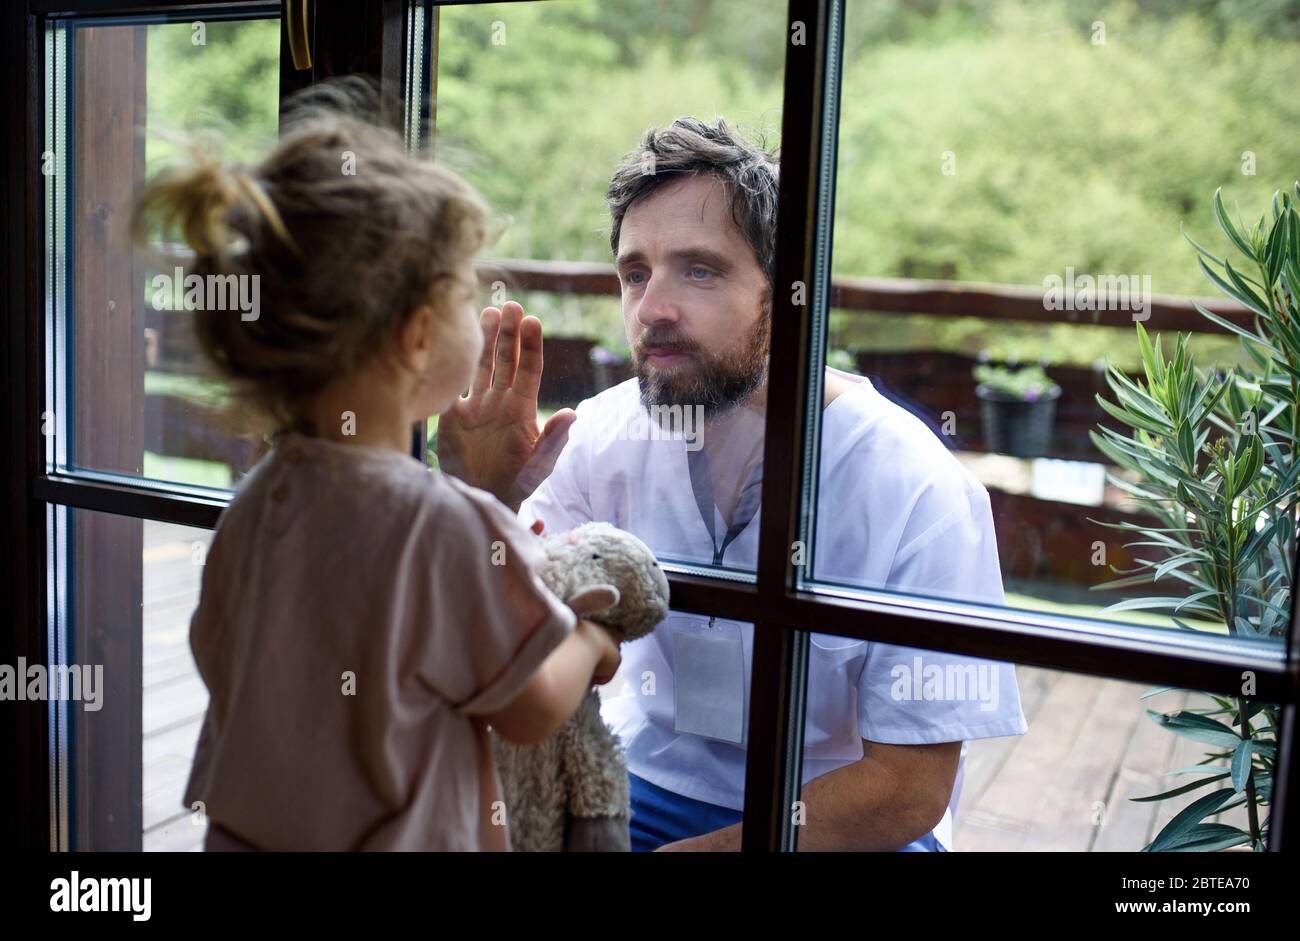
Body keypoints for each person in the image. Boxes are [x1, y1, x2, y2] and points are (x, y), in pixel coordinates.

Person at [439, 117, 1029, 852]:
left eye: (701, 270)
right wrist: (484, 499)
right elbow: (499, 656)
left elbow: (907, 788)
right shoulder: (594, 434)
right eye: (635, 273)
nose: (652, 308)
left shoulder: (916, 487)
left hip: (833, 816)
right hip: (647, 783)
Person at [135, 81, 622, 851]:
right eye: (468, 292)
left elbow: (215, 647)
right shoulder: (442, 521)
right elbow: (528, 707)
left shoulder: (260, 496)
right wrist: (589, 642)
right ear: (417, 336)